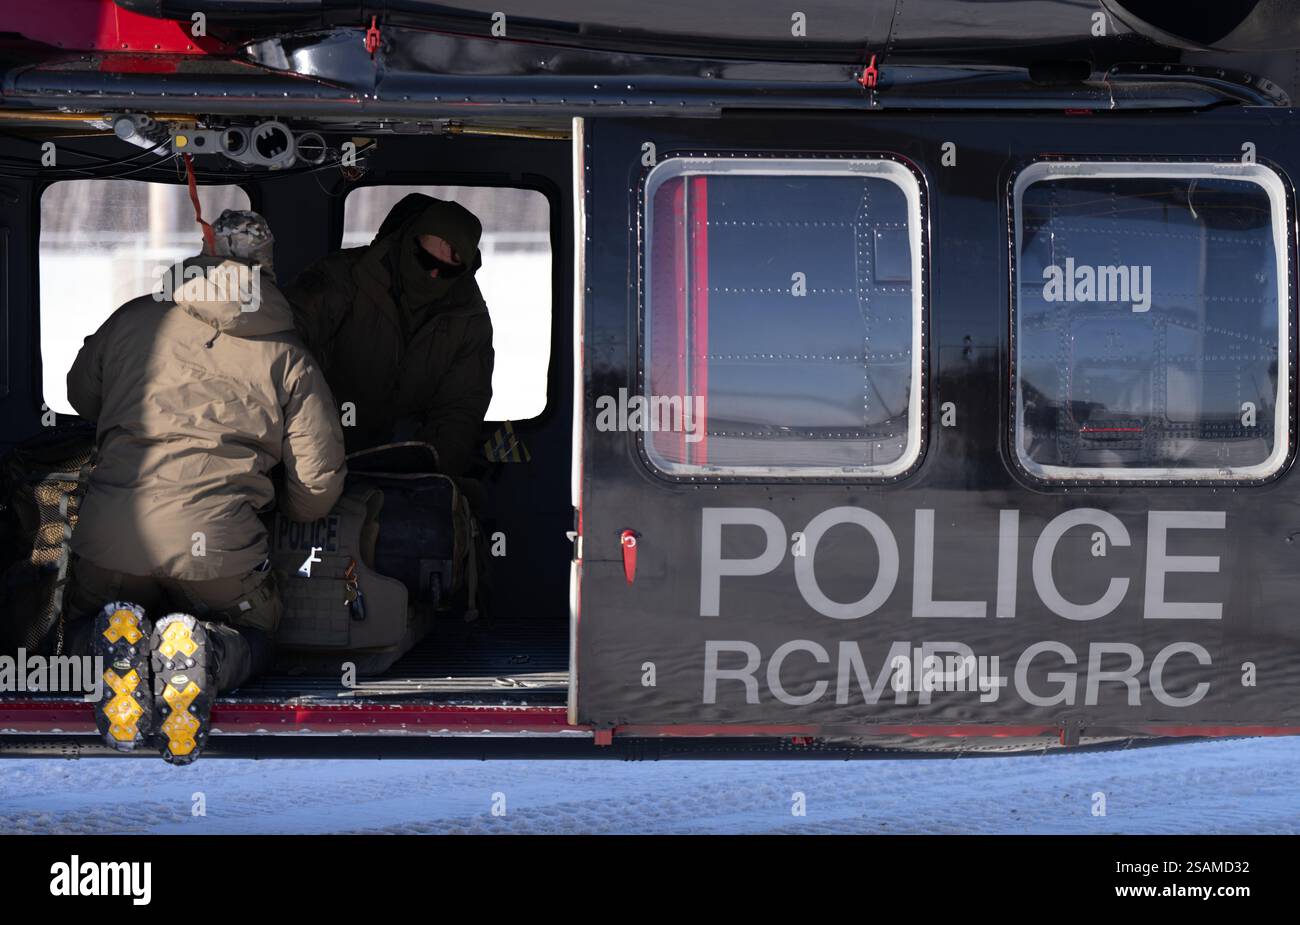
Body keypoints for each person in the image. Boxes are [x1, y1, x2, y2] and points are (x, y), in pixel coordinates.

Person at [65, 209, 346, 764]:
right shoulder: (289, 356)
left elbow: (80, 394)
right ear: (266, 270)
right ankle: (205, 649)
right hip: (217, 554)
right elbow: (318, 485)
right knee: (257, 628)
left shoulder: (134, 320)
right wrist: (272, 507)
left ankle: (108, 650)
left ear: (205, 253)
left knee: (82, 621)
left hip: (112, 540)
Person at [287, 194, 494, 476]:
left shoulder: (468, 319)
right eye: (425, 259)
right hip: (317, 444)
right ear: (411, 240)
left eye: (448, 267)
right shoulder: (344, 279)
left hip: (404, 457)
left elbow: (460, 408)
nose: (433, 275)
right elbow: (285, 351)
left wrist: (431, 472)